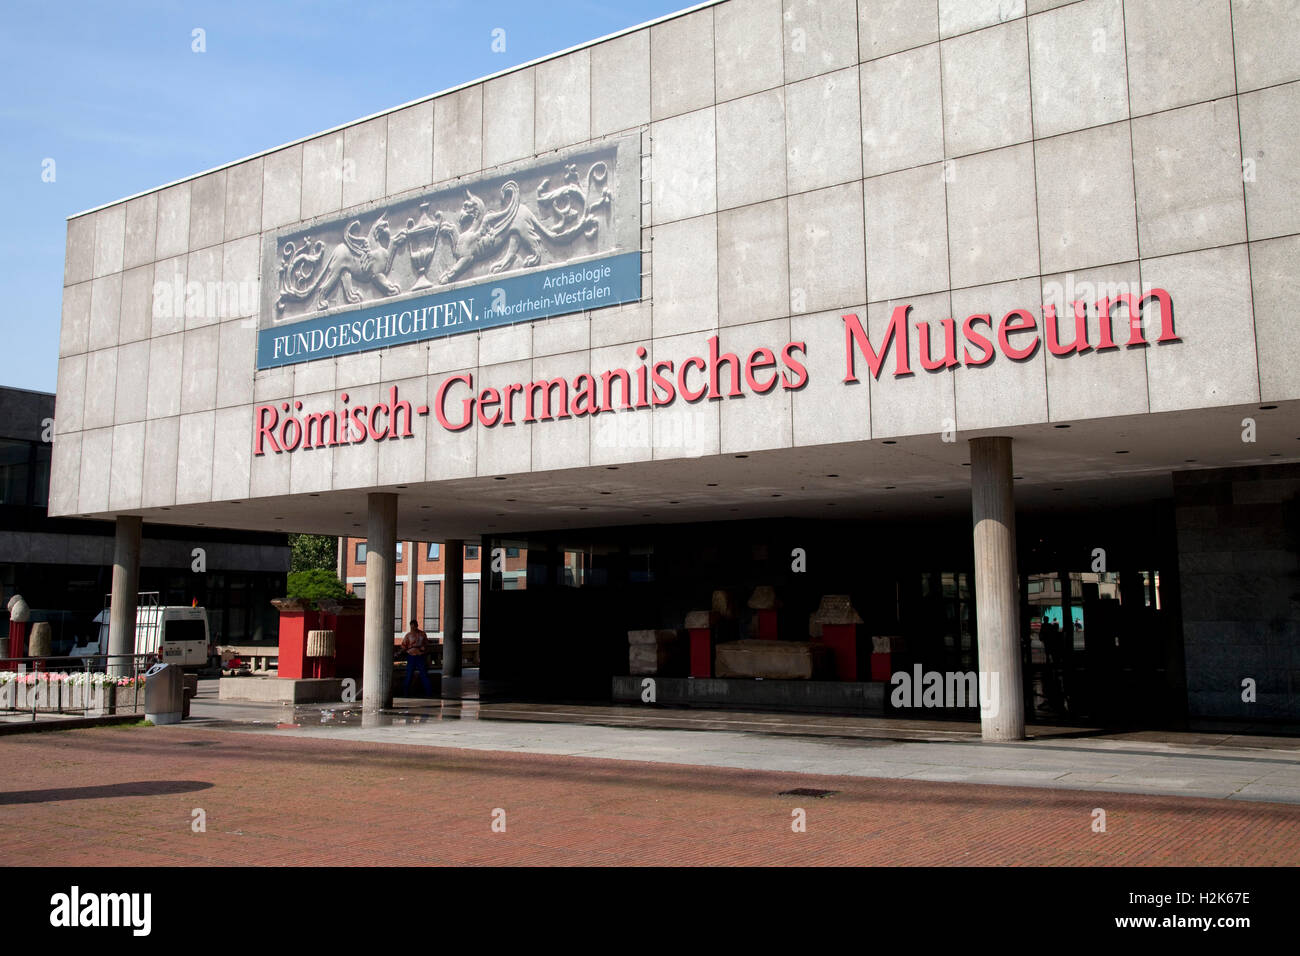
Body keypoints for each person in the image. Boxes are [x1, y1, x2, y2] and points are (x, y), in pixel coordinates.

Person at [401, 618, 433, 697]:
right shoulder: (417, 634)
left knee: (417, 674)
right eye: (412, 627)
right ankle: (427, 692)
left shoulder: (412, 635)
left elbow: (404, 646)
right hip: (416, 656)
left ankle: (407, 693)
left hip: (417, 656)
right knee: (416, 675)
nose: (413, 628)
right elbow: (426, 645)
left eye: (414, 626)